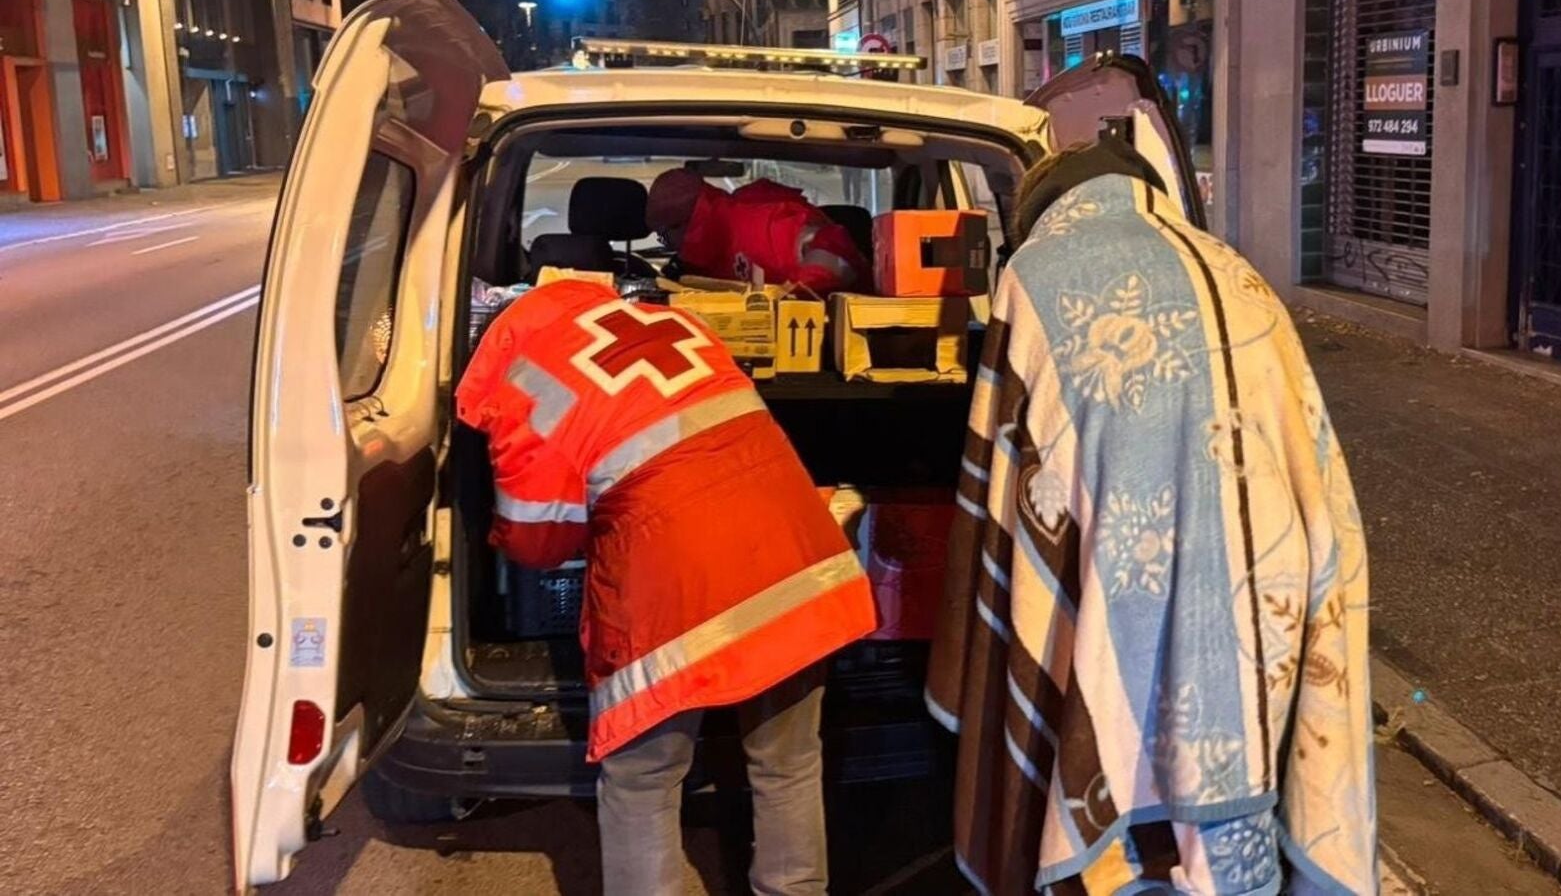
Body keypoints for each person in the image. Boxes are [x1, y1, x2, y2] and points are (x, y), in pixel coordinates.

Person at [926, 139, 1376, 894]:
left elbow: (1009, 467)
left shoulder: (1035, 270)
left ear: (1042, 209)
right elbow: (1313, 462)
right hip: (1264, 585)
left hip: (1119, 583)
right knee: (1237, 806)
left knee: (1115, 784)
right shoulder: (1237, 271)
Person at [456, 276, 876, 895]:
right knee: (788, 763)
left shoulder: (529, 379)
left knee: (643, 779)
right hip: (797, 565)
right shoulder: (677, 324)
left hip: (677, 597)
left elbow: (538, 541)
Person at [646, 168, 870, 295]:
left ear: (681, 225)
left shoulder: (759, 214)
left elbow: (831, 244)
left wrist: (794, 293)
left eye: (664, 236)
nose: (668, 245)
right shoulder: (702, 259)